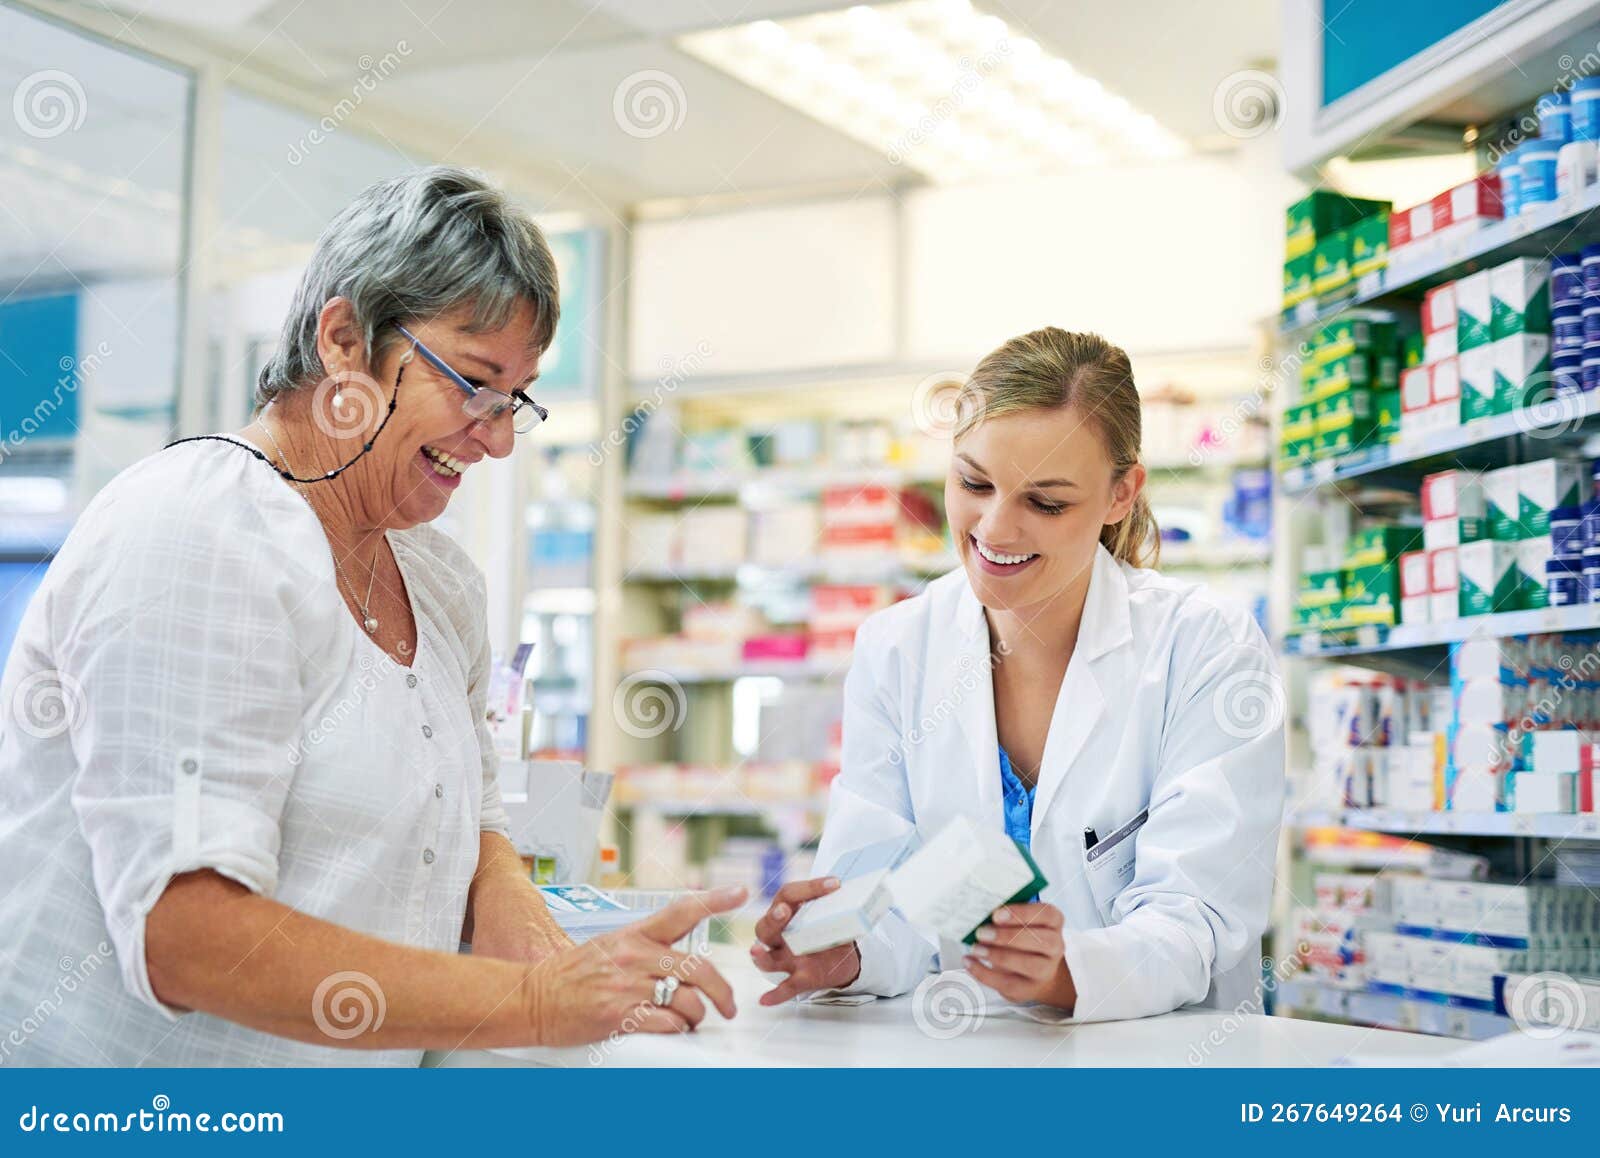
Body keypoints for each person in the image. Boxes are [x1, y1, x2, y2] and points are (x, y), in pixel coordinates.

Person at [0, 166, 740, 1065]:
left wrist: (543, 941)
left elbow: (474, 820)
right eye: (475, 383)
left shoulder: (437, 580)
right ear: (345, 341)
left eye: (516, 398)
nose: (499, 436)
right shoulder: (198, 529)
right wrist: (534, 1002)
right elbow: (185, 935)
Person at [752, 327, 1285, 1021]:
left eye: (1046, 502)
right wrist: (844, 952)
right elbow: (886, 898)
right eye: (974, 483)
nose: (995, 530)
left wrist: (1071, 972)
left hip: (1156, 1056)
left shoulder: (1205, 647)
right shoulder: (897, 648)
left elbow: (1199, 918)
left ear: (1121, 494)